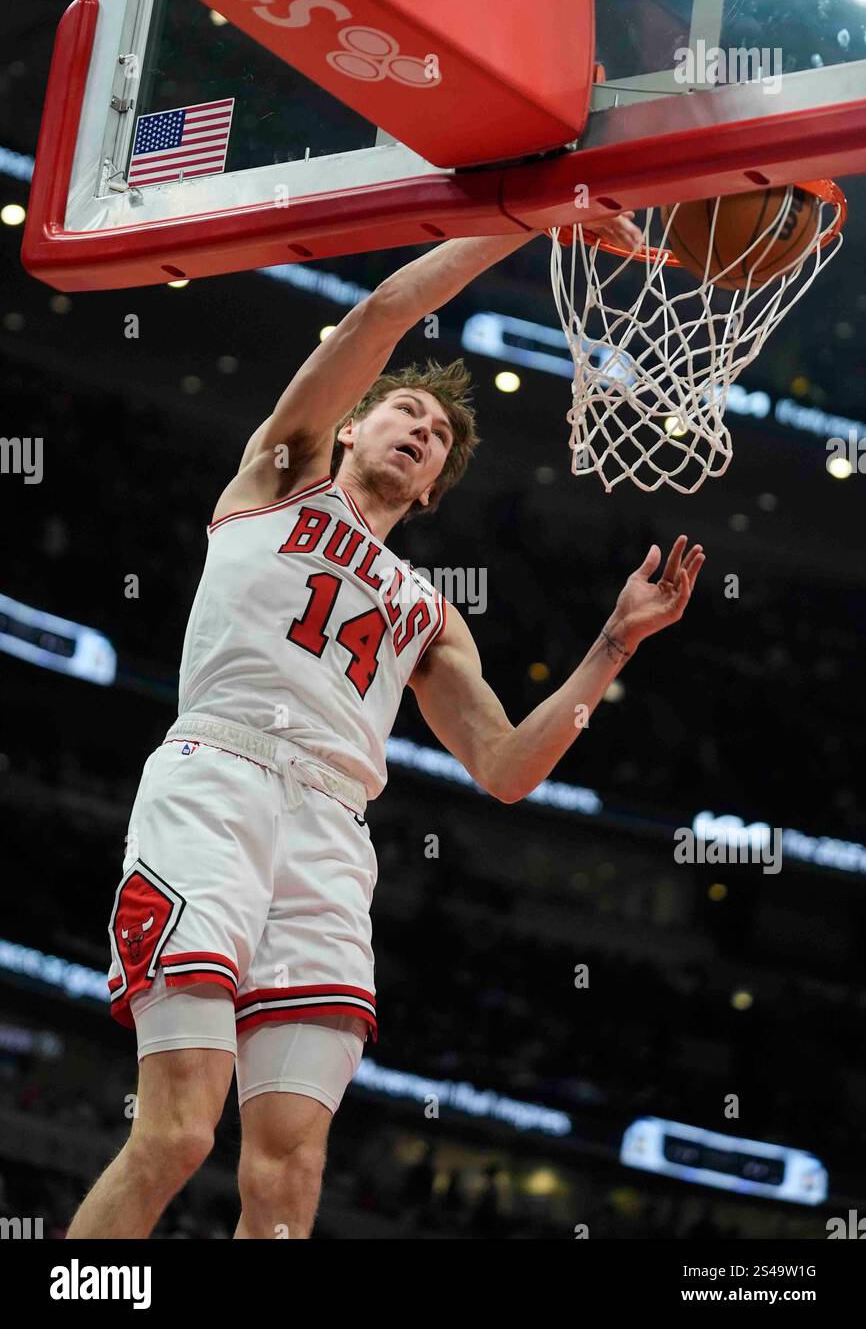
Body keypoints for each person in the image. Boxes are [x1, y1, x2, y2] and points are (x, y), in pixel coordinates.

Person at [68, 221, 704, 1240]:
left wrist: (611, 648)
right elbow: (379, 315)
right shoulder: (278, 479)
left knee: (288, 1173)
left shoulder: (429, 608)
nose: (420, 429)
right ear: (353, 427)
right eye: (402, 411)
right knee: (179, 1133)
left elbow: (501, 769)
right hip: (218, 780)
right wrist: (520, 221)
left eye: (438, 435)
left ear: (434, 485)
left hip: (330, 833)